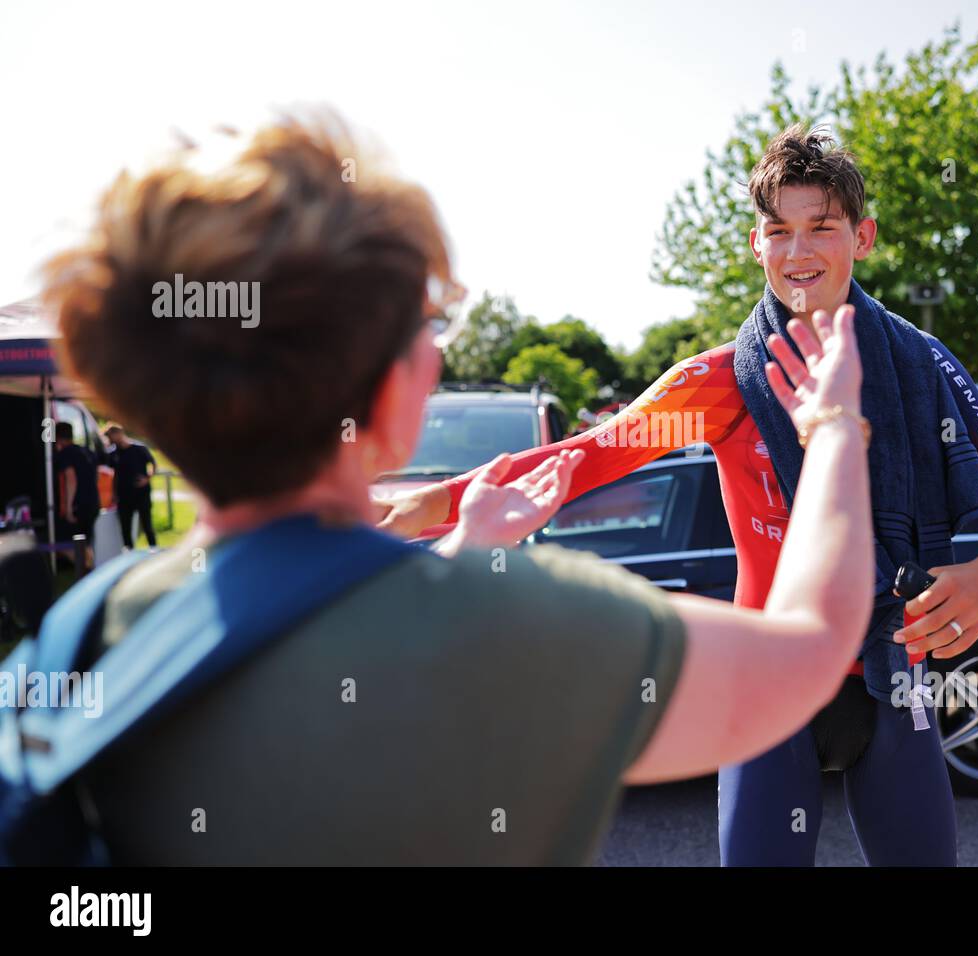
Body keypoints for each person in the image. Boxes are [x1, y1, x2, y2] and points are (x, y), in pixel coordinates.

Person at [31, 113, 878, 865]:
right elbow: (807, 656)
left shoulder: (83, 635)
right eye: (424, 329)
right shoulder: (523, 622)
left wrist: (466, 550)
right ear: (400, 382)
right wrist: (833, 425)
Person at [381, 126, 978, 866]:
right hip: (765, 685)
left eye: (821, 229)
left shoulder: (923, 364)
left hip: (895, 674)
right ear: (755, 243)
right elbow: (582, 458)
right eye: (779, 231)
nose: (799, 252)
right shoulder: (721, 381)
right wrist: (431, 503)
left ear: (862, 237)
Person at [52, 421, 100, 567]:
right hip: (93, 502)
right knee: (86, 542)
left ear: (58, 437)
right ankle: (91, 571)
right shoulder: (88, 451)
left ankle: (86, 572)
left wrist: (68, 508)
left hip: (78, 505)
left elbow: (70, 478)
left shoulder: (65, 454)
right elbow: (96, 476)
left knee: (67, 543)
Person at [103, 423, 157, 550]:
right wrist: (114, 494)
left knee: (147, 525)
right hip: (124, 495)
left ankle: (154, 550)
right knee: (125, 528)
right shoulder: (113, 453)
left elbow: (153, 464)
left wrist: (147, 478)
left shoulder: (139, 449)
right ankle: (129, 553)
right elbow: (112, 473)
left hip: (141, 493)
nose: (111, 440)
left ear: (119, 434)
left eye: (112, 436)